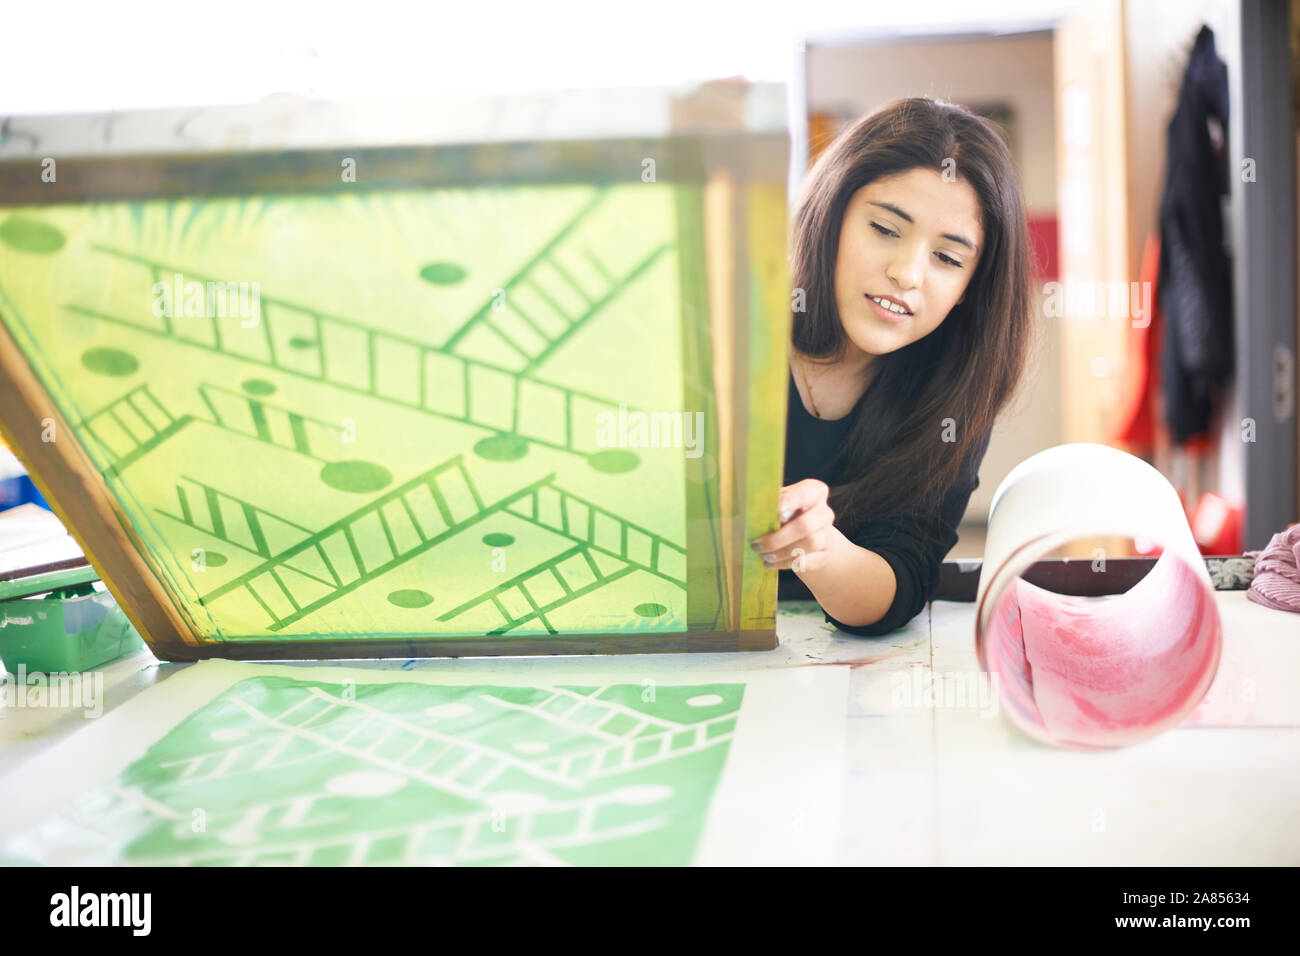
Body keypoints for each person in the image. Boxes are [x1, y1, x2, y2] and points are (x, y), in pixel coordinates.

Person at [751, 96, 1036, 635]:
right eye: (885, 228)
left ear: (968, 291)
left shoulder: (953, 391)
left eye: (948, 259)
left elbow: (901, 584)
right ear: (831, 217)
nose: (907, 273)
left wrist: (820, 550)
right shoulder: (730, 328)